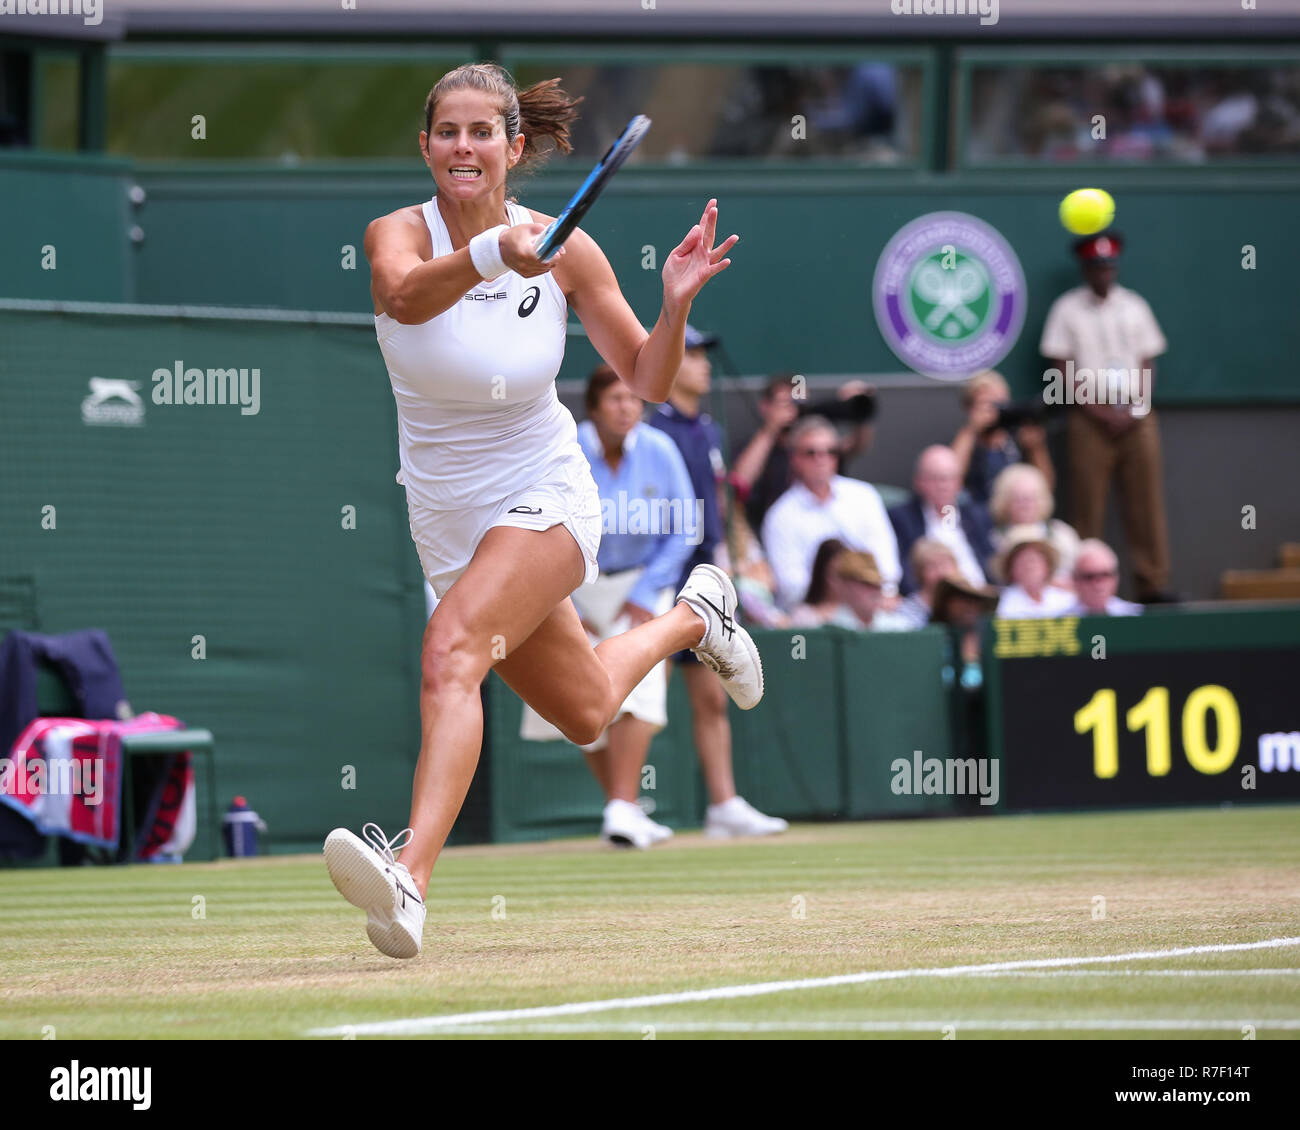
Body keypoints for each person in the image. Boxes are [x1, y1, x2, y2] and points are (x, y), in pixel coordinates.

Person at [322, 63, 764, 959]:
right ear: (426, 145)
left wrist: (673, 309)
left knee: (450, 653)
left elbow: (647, 377)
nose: (463, 147)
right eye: (448, 131)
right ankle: (697, 616)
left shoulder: (567, 252)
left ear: (514, 148)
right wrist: (494, 255)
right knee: (589, 710)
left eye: (484, 131)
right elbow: (404, 296)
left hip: (548, 496)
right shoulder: (394, 235)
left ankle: (410, 881)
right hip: (447, 522)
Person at [519, 365, 695, 849]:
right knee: (581, 700)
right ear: (594, 407)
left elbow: (685, 528)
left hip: (644, 586)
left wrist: (645, 594)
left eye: (634, 399)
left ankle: (620, 806)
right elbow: (541, 522)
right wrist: (567, 597)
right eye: (615, 399)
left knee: (639, 696)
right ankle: (624, 808)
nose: (627, 408)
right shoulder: (565, 448)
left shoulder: (660, 449)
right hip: (576, 586)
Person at [649, 328, 789, 840]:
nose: (705, 365)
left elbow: (720, 502)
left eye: (706, 355)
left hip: (707, 578)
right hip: (664, 580)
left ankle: (724, 805)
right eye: (693, 355)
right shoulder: (655, 431)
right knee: (646, 696)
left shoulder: (708, 429)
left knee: (711, 697)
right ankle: (625, 805)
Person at [1040, 230, 1174, 602]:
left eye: (1109, 266)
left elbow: (1148, 361)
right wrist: (1097, 411)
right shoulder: (1066, 309)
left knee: (1146, 503)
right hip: (1088, 418)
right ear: (1085, 269)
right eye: (1097, 266)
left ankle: (1152, 586)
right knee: (1088, 506)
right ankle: (1086, 588)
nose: (1104, 273)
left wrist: (1137, 408)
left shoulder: (1135, 306)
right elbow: (1060, 367)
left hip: (1137, 414)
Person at [762, 416, 901, 611]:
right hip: (814, 615)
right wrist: (843, 601)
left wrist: (882, 594)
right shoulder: (780, 516)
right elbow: (791, 586)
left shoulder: (864, 495)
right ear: (795, 459)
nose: (822, 459)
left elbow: (886, 560)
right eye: (811, 453)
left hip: (873, 607)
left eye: (830, 452)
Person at [731, 373, 875, 532]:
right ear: (765, 406)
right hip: (771, 530)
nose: (795, 411)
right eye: (787, 403)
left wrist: (859, 410)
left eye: (800, 404)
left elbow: (854, 445)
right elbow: (739, 483)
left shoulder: (818, 441)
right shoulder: (754, 447)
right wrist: (771, 429)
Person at [888, 445, 994, 595]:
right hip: (933, 602)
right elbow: (902, 570)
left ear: (959, 483)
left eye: (949, 478)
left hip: (981, 596)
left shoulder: (977, 517)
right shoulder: (902, 518)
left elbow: (992, 563)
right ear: (918, 482)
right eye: (935, 478)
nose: (943, 485)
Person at [950, 369, 1054, 505]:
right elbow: (949, 479)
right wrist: (971, 430)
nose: (996, 411)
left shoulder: (1017, 439)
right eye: (988, 405)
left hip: (1013, 514)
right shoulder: (967, 440)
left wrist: (1035, 448)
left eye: (1001, 404)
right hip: (973, 516)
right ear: (970, 408)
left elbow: (1045, 490)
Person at [987, 463, 1081, 588]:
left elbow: (1080, 574)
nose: (1025, 505)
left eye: (1030, 498)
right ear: (1005, 502)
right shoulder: (994, 538)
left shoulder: (1061, 533)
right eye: (1018, 499)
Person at [993, 526, 1076, 620]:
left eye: (1034, 560)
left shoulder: (1065, 597)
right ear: (1011, 569)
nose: (1029, 566)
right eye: (1022, 562)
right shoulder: (1003, 601)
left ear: (1047, 566)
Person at [894, 539, 962, 629]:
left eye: (945, 564)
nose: (941, 572)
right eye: (932, 567)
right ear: (920, 573)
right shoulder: (907, 611)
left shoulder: (965, 603)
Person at [1066, 539, 1143, 617]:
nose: (1098, 585)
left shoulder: (1135, 615)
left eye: (1105, 575)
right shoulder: (1061, 622)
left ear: (1116, 578)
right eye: (1089, 577)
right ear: (1075, 580)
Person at [788, 538, 849, 627]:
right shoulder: (803, 615)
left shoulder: (858, 613)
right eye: (834, 574)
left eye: (845, 575)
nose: (840, 582)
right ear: (821, 575)